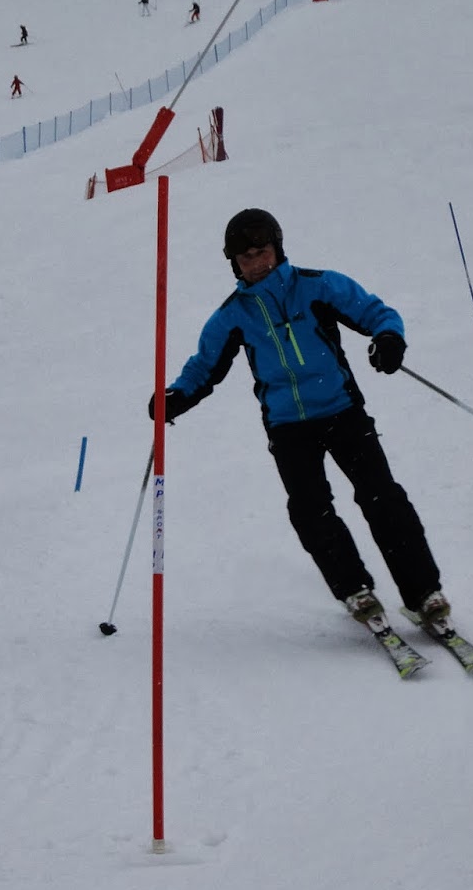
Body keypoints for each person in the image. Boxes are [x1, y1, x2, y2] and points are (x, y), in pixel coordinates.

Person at [148, 208, 451, 631]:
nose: (257, 263)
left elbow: (376, 312)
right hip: (288, 426)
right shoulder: (234, 315)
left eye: (262, 251)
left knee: (382, 496)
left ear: (278, 248)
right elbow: (204, 366)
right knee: (311, 511)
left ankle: (424, 595)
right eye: (246, 257)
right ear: (234, 264)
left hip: (342, 410)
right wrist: (178, 396)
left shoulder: (318, 286)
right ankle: (355, 590)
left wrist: (388, 339)